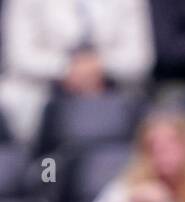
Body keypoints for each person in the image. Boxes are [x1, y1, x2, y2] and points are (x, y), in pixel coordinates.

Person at [0, 0, 154, 145]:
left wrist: (100, 66)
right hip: (43, 88)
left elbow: (140, 58)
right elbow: (19, 57)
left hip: (112, 87)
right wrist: (66, 68)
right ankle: (42, 167)